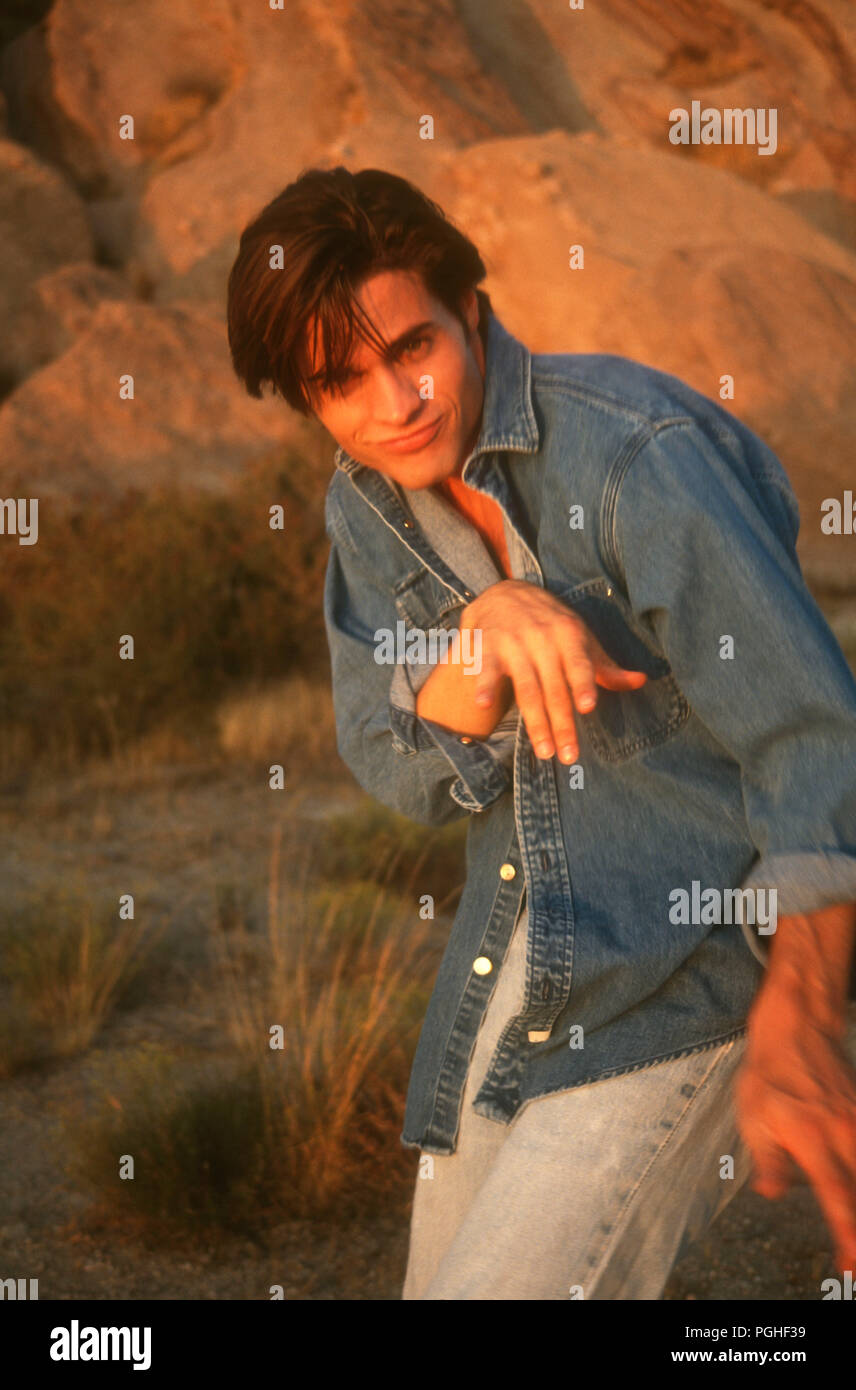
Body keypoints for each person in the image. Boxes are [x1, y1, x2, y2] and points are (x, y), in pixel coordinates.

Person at [227, 165, 856, 1299]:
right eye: (340, 382)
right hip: (526, 945)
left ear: (469, 308)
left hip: (694, 962)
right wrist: (480, 638)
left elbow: (814, 744)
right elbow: (392, 762)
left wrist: (800, 1016)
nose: (394, 403)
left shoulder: (632, 456)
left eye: (411, 346)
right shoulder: (365, 506)